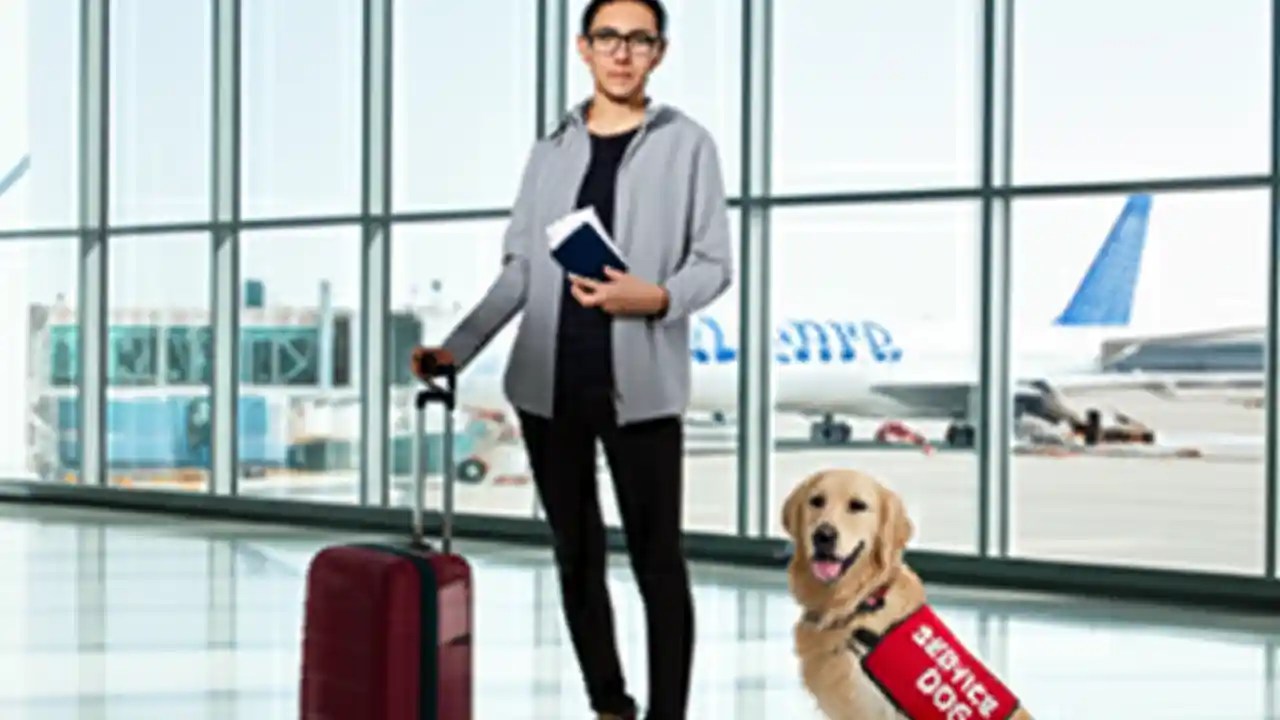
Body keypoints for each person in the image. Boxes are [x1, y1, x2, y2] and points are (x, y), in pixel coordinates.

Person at [411, 1, 732, 717]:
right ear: (584, 48)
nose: (623, 52)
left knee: (658, 564)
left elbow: (714, 265)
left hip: (642, 389)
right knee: (576, 557)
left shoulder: (688, 145)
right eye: (609, 38)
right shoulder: (550, 150)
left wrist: (654, 297)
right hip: (548, 388)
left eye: (639, 40)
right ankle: (610, 703)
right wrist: (456, 349)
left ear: (660, 51)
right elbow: (521, 270)